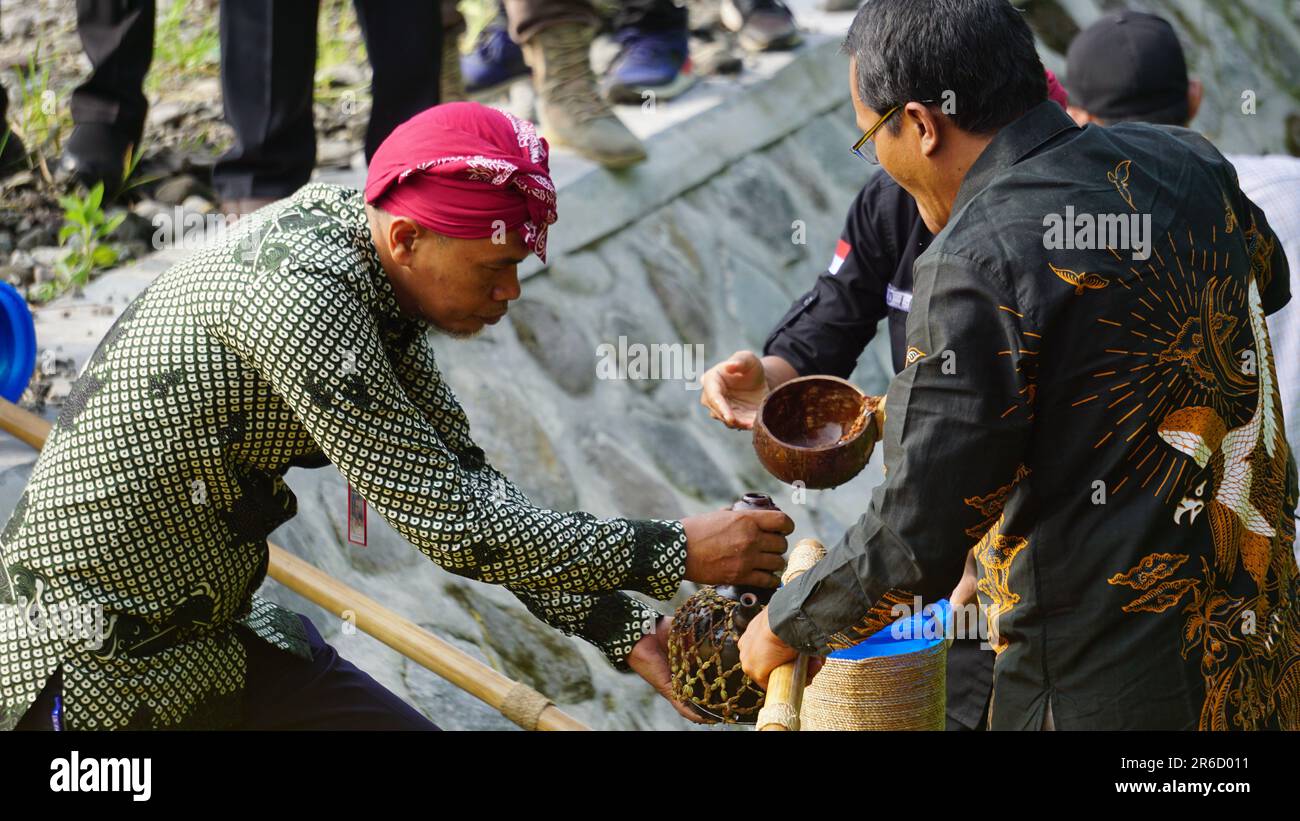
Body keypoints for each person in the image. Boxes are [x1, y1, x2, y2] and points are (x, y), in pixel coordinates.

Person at [0, 102, 793, 731]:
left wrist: (627, 631)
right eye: (496, 267)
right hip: (93, 665)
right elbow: (451, 523)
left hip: (209, 636)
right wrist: (671, 549)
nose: (510, 292)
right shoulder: (303, 295)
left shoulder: (370, 258)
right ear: (410, 237)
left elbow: (472, 490)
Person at [737, 0, 1297, 730]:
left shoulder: (972, 264)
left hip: (1102, 698)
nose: (877, 157)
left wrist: (787, 622)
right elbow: (1268, 284)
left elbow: (914, 541)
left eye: (872, 134)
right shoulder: (1187, 163)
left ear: (923, 124)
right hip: (1261, 666)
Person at [699, 68, 1070, 732]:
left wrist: (795, 621)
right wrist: (775, 373)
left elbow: (1003, 449)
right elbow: (838, 307)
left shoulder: (1049, 237)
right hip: (940, 531)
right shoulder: (895, 204)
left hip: (1033, 547)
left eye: (874, 136)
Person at [1063, 10, 1300, 540]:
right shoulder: (1290, 181)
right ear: (1193, 97)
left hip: (1244, 551)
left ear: (1078, 119)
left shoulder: (1099, 246)